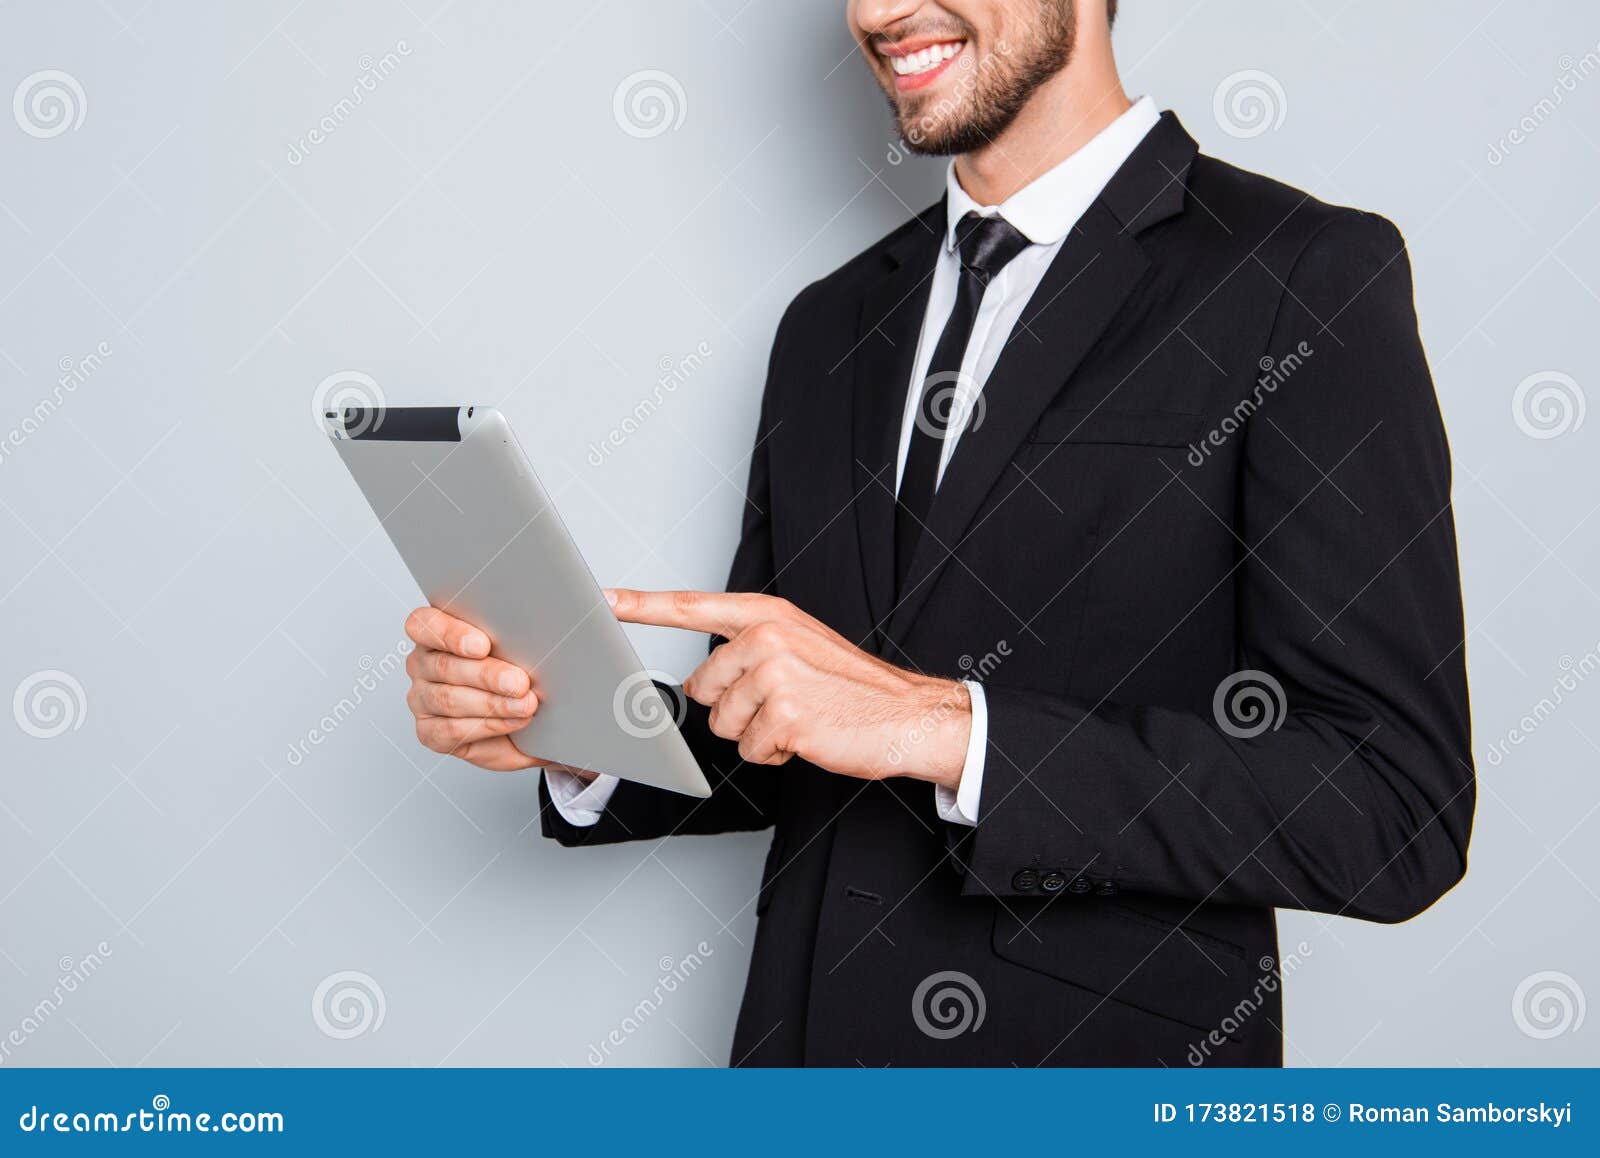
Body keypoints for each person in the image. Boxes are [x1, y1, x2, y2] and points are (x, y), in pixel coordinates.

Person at [400, 0, 1474, 1066]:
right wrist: (582, 730)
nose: (878, 13)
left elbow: (1391, 808)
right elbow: (788, 728)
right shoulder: (828, 321)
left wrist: (948, 731)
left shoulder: (1300, 275)